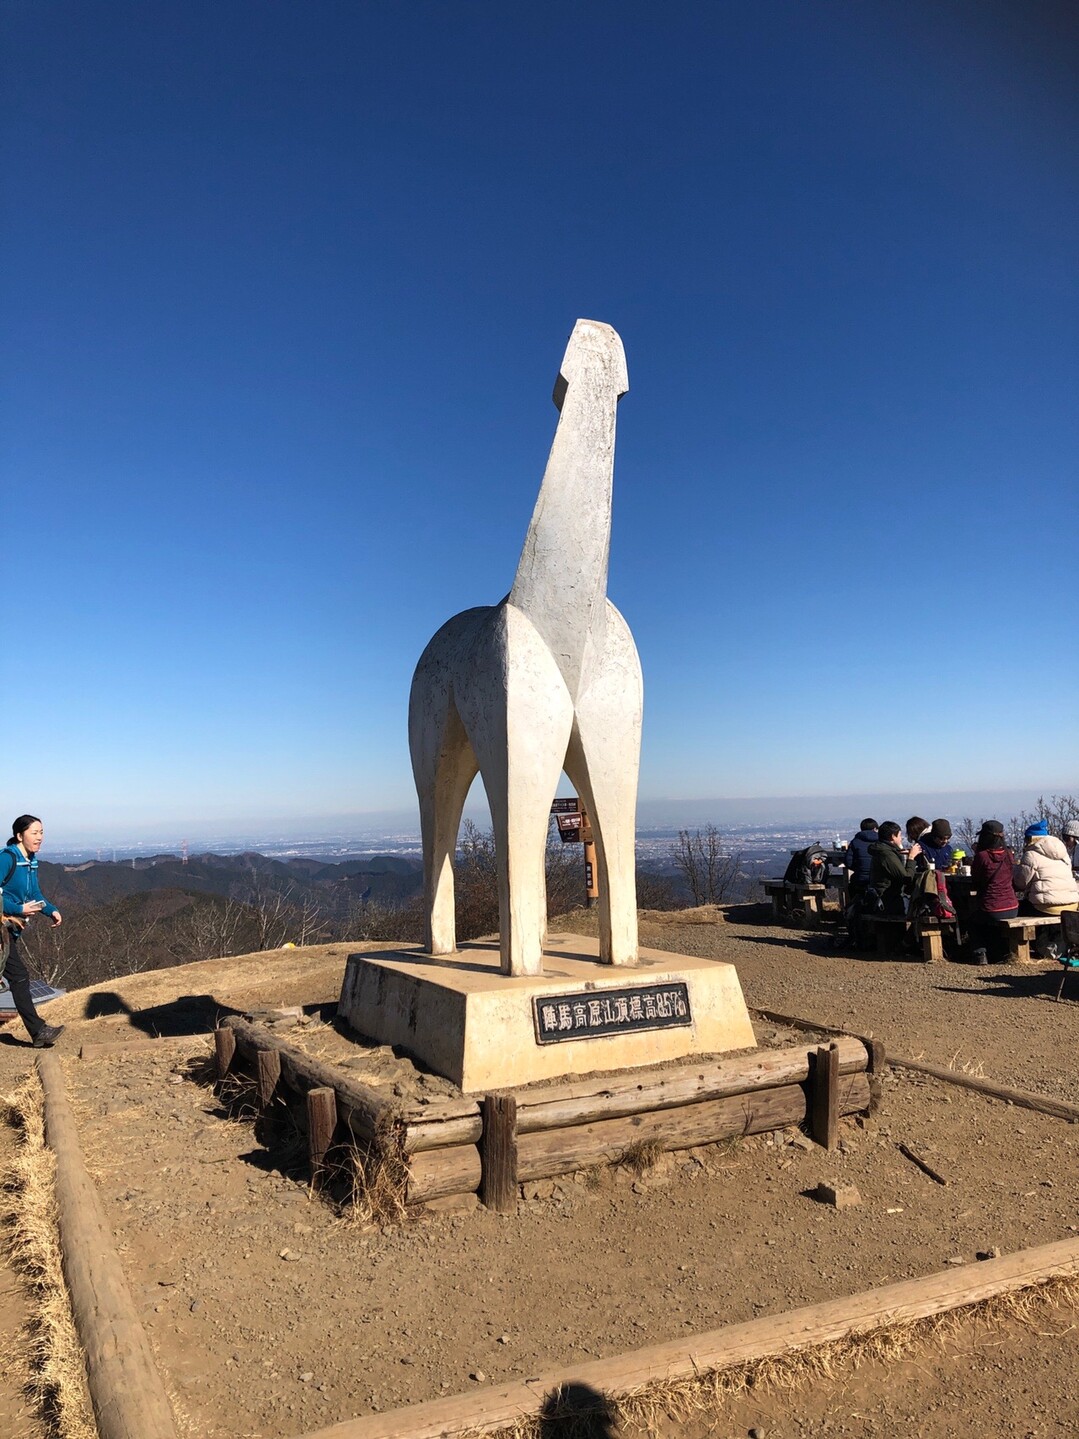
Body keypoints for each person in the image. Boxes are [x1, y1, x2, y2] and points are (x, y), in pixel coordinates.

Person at [1, 815, 64, 1047]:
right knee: (18, 976)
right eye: (34, 833)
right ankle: (38, 1032)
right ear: (19, 835)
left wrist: (51, 910)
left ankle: (38, 1032)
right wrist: (18, 908)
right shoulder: (7, 858)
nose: (40, 837)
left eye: (41, 832)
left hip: (8, 930)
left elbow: (35, 894)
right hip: (1, 930)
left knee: (17, 976)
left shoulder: (31, 861)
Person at [1012, 819, 1079, 957]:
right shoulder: (1063, 853)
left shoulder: (1030, 855)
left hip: (1047, 907)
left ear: (1030, 839)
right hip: (1072, 905)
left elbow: (1020, 883)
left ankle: (1016, 948)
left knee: (1015, 908)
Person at [968, 821, 1018, 965]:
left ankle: (980, 954)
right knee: (988, 922)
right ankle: (998, 953)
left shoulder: (982, 856)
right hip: (1012, 907)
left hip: (991, 907)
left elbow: (976, 879)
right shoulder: (1008, 854)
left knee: (973, 920)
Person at [869, 821, 916, 916]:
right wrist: (911, 858)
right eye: (899, 835)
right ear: (893, 837)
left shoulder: (884, 849)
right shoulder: (886, 854)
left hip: (885, 895)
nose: (901, 838)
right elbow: (906, 878)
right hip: (888, 899)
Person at [845, 819, 878, 895]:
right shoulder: (882, 841)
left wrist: (859, 868)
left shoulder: (855, 841)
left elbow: (848, 862)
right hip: (878, 879)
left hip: (860, 879)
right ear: (875, 829)